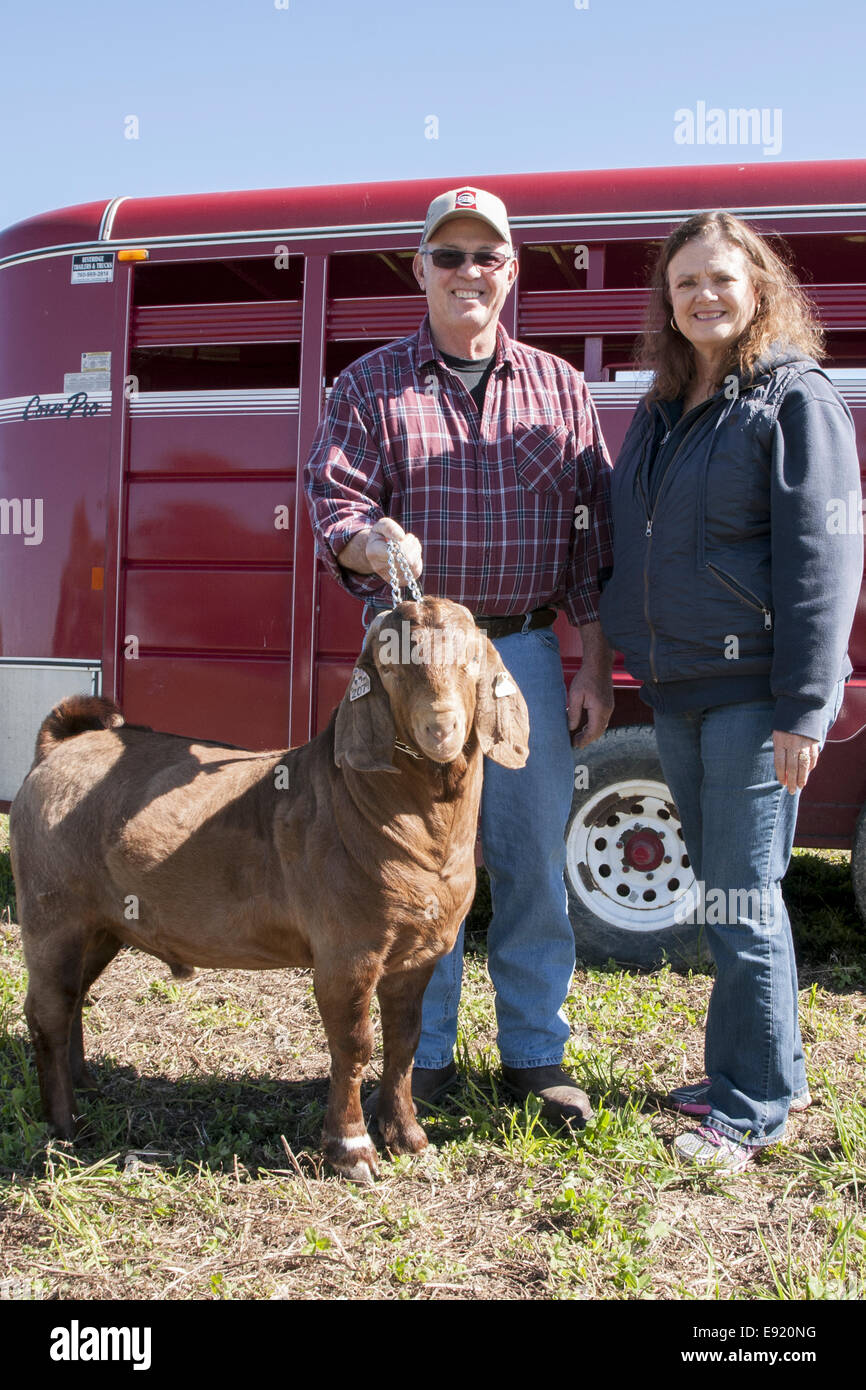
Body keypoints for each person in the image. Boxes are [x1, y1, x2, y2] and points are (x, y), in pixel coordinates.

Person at [305, 185, 614, 1126]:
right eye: (449, 256)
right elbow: (335, 503)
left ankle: (533, 1052)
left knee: (526, 859)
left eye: (487, 256)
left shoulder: (561, 386)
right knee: (409, 870)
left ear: (512, 270)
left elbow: (591, 542)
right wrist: (370, 542)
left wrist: (591, 666)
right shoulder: (369, 384)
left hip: (517, 652)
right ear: (421, 270)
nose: (468, 272)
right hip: (408, 664)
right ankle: (420, 1054)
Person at [599, 211, 863, 1169]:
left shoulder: (793, 399)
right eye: (684, 285)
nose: (703, 296)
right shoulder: (664, 407)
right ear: (667, 305)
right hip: (680, 690)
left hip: (755, 696)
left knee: (744, 900)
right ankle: (762, 1073)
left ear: (759, 286)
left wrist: (805, 707)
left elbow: (823, 561)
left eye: (720, 278)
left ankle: (750, 1112)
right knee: (725, 897)